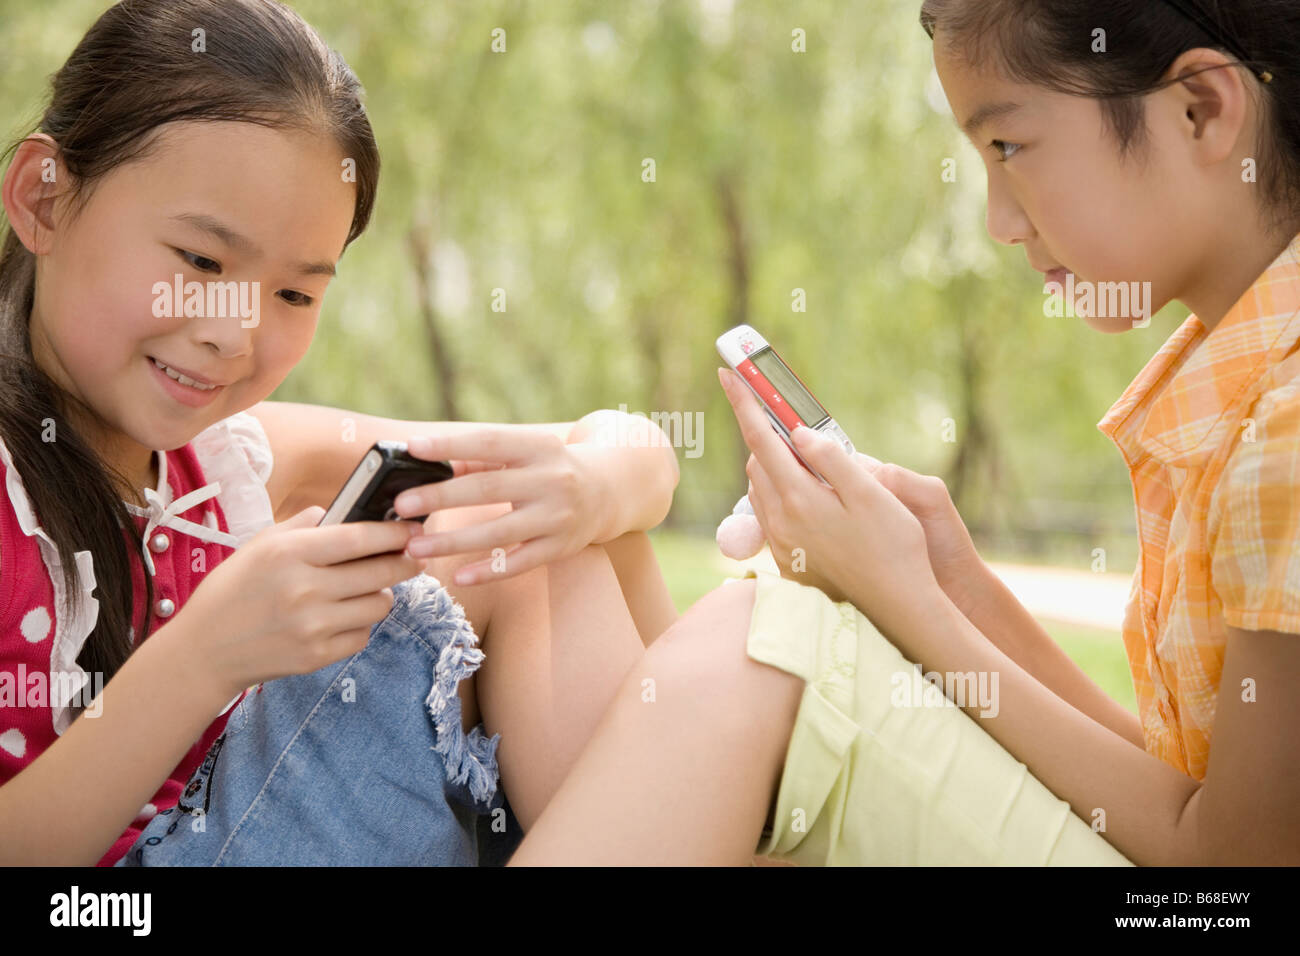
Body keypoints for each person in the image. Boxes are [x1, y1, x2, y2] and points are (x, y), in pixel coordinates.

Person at [509, 0, 1300, 866]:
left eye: (1009, 147)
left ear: (1202, 110)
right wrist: (953, 582)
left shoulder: (1287, 428)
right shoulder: (1247, 392)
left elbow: (1230, 866)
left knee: (756, 653)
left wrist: (903, 603)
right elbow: (1174, 789)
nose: (1001, 220)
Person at [0, 0, 680, 866]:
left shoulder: (226, 462)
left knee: (539, 524)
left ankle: (690, 814)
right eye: (202, 262)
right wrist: (203, 658)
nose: (233, 331)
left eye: (293, 294)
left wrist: (598, 487)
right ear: (42, 200)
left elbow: (600, 446)